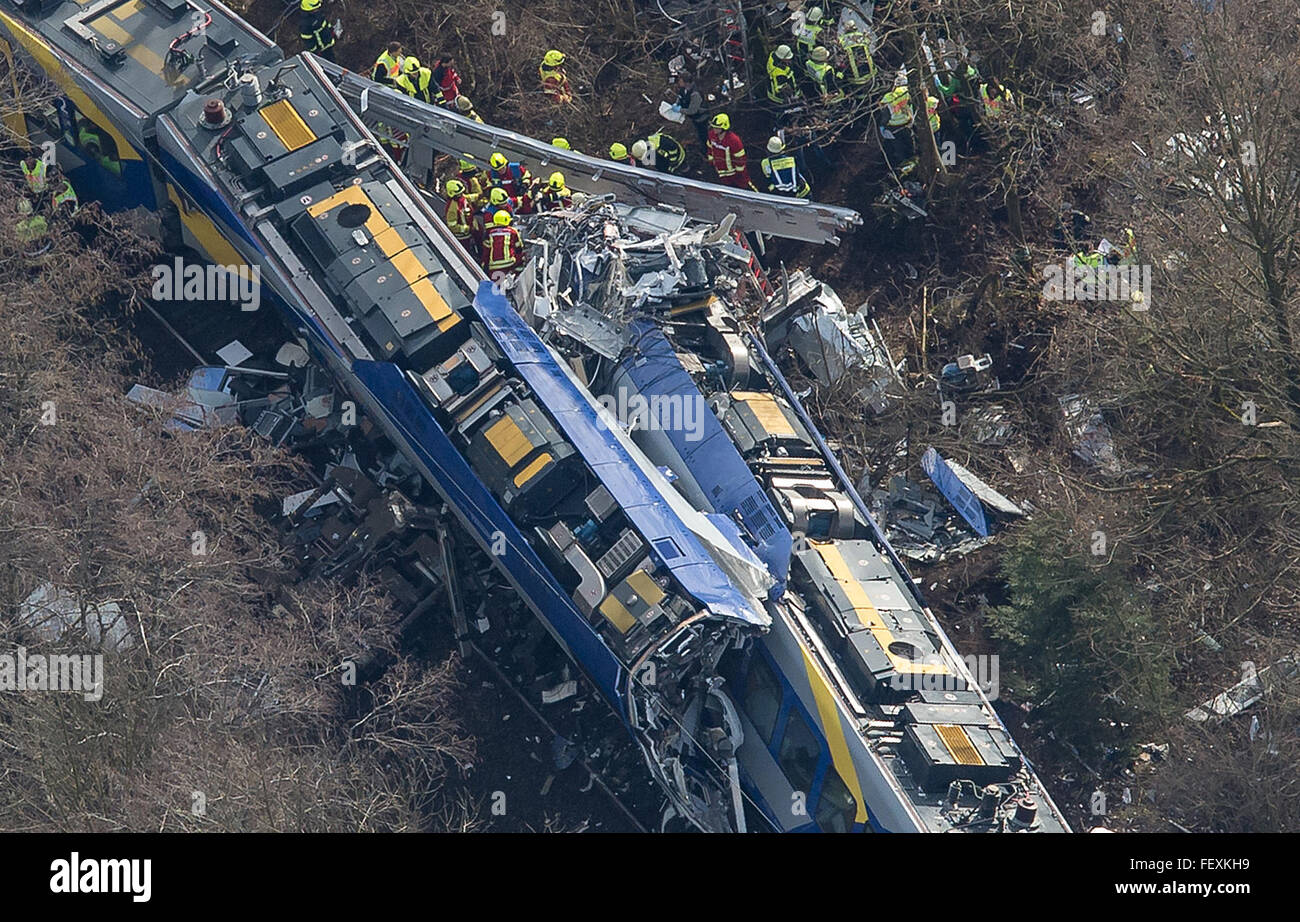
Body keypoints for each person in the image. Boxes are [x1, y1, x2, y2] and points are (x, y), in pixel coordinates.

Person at [707, 113, 753, 190]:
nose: (714, 129)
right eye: (714, 127)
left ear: (724, 128)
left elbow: (740, 158)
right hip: (721, 172)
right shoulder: (711, 135)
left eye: (717, 128)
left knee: (743, 186)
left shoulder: (734, 140)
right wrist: (711, 162)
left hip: (734, 173)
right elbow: (709, 148)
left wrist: (739, 173)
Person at [482, 209, 524, 278]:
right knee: (521, 259)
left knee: (496, 284)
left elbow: (486, 251)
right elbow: (519, 248)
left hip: (494, 266)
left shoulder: (490, 233)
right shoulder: (512, 231)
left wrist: (484, 263)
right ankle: (516, 277)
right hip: (509, 263)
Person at [675, 72, 709, 149]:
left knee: (703, 134)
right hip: (694, 117)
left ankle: (706, 148)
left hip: (701, 117)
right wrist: (677, 103)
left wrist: (680, 110)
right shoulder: (684, 89)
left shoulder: (695, 94)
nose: (679, 82)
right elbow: (680, 96)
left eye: (680, 81)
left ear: (686, 82)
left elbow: (692, 110)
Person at [838, 22, 875, 88]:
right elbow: (870, 43)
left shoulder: (842, 40)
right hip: (870, 74)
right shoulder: (862, 36)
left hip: (855, 79)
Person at [443, 179, 476, 253]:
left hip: (469, 234)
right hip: (461, 238)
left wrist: (479, 196)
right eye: (459, 194)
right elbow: (452, 227)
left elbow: (467, 198)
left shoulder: (460, 199)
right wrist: (467, 229)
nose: (461, 195)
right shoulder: (452, 208)